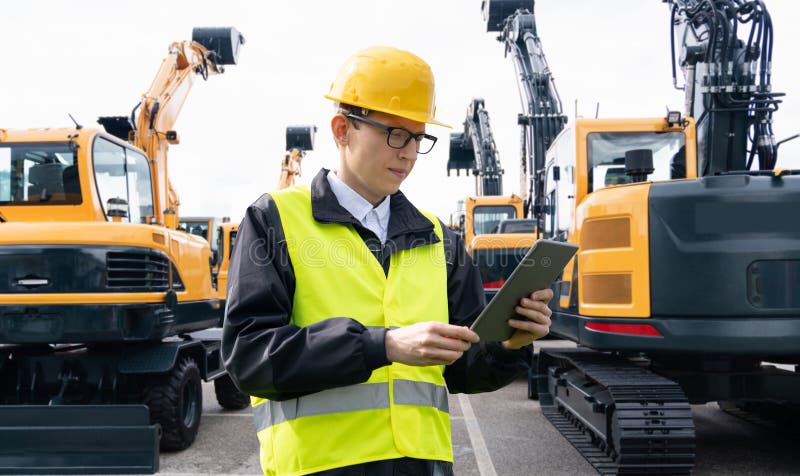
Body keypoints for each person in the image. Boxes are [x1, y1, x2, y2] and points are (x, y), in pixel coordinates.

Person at [222, 45, 554, 476]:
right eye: (396, 134)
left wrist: (512, 343)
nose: (410, 153)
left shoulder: (440, 239)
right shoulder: (275, 220)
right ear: (342, 130)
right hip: (317, 469)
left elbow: (467, 371)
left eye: (419, 138)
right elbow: (249, 357)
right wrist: (382, 345)